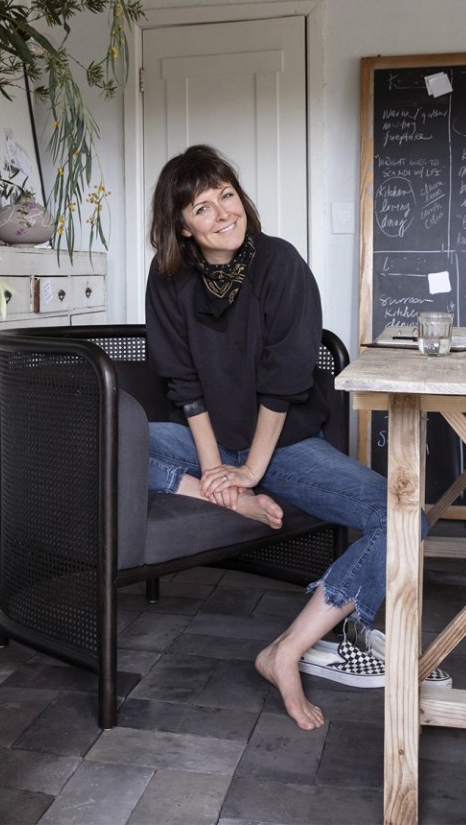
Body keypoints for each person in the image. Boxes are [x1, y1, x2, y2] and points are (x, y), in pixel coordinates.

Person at [144, 145, 446, 732]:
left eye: (226, 195)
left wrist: (252, 471)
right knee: (113, 439)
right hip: (207, 448)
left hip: (280, 448)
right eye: (202, 208)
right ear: (181, 226)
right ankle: (229, 501)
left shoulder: (279, 264)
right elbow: (184, 388)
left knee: (405, 516)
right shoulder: (168, 280)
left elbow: (283, 385)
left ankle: (286, 649)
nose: (223, 213)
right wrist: (217, 477)